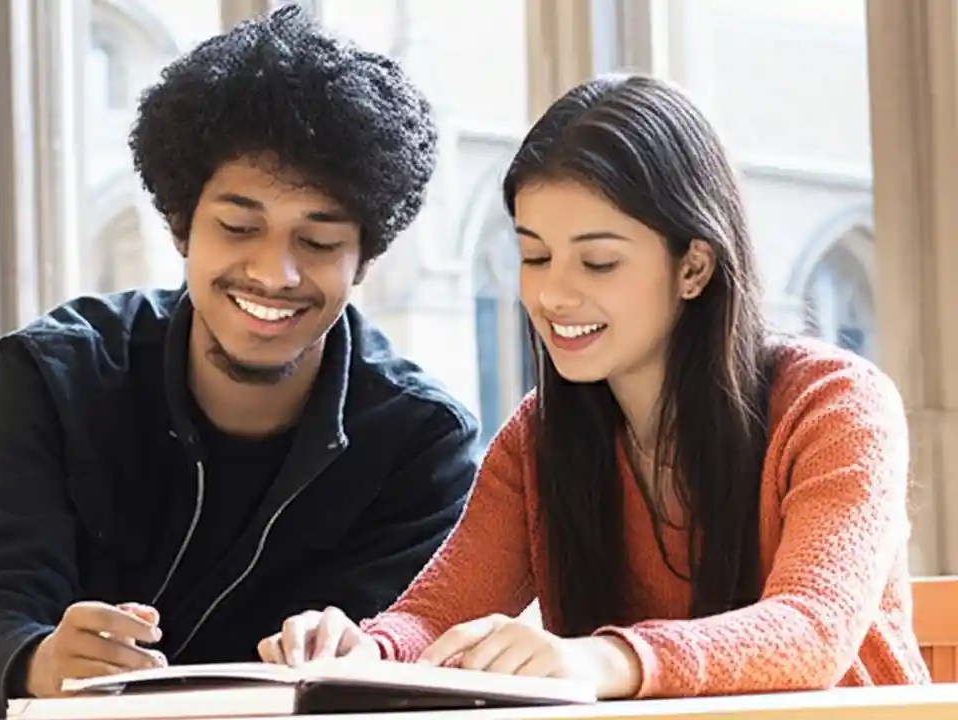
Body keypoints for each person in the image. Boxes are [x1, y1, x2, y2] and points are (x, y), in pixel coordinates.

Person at [0, 6, 479, 720]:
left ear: (365, 260)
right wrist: (40, 661)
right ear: (179, 225)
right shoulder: (53, 375)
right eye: (238, 227)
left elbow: (389, 659)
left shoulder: (423, 443)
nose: (274, 272)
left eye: (317, 242)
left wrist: (358, 649)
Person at [259, 74, 930, 700]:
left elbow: (812, 630)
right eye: (534, 256)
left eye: (598, 261)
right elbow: (435, 617)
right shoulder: (538, 438)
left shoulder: (835, 403)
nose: (553, 293)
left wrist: (602, 659)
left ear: (693, 266)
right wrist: (363, 650)